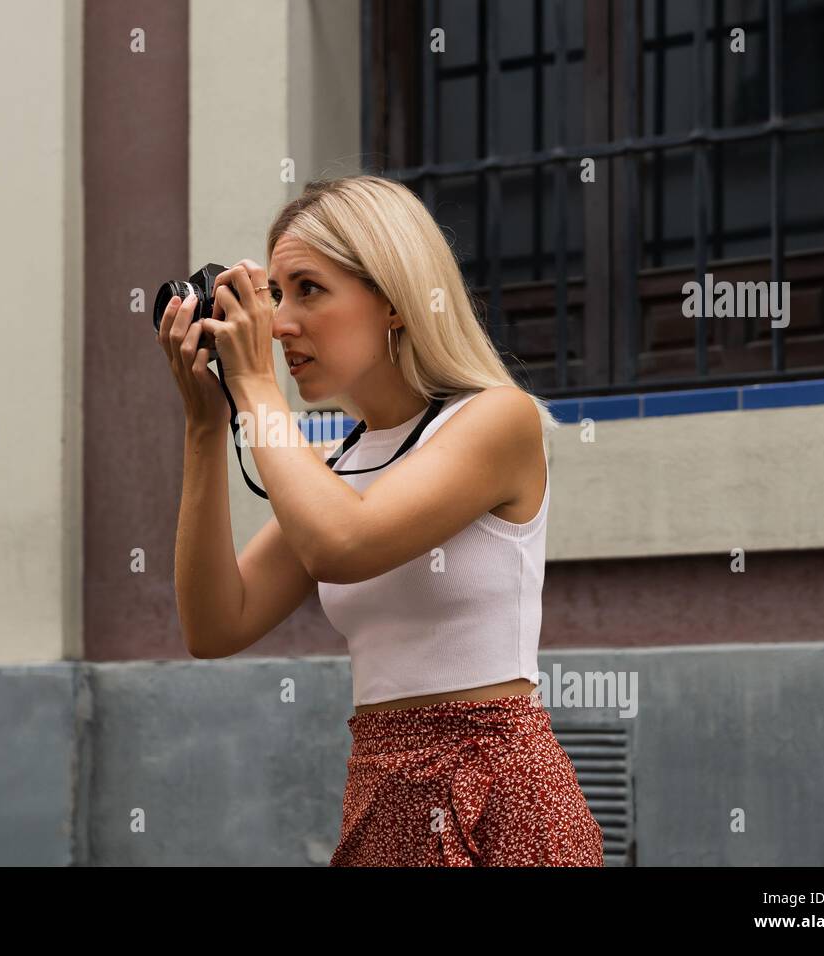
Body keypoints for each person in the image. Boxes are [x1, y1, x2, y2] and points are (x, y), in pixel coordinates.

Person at [156, 174, 603, 867]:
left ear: (393, 301)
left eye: (309, 289)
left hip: (499, 795)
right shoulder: (341, 468)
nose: (278, 325)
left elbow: (345, 542)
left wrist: (253, 387)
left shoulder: (496, 419)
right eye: (275, 295)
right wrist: (205, 426)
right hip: (380, 791)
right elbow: (216, 624)